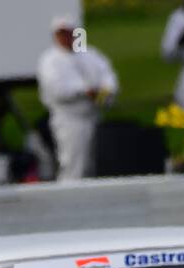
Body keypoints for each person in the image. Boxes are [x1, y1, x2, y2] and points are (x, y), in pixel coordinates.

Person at [36, 14, 118, 181]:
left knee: (95, 165)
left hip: (94, 116)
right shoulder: (50, 59)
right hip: (70, 120)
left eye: (69, 33)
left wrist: (103, 93)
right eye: (61, 34)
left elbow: (108, 79)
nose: (65, 37)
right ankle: (68, 194)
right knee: (73, 164)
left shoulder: (90, 54)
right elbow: (57, 89)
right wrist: (84, 91)